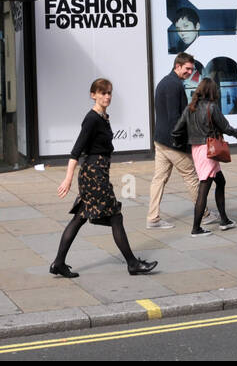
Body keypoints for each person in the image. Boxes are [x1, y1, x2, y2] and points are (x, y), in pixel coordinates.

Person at [50, 79, 157, 278]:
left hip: (97, 171)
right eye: (102, 93)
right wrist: (67, 179)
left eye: (109, 93)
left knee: (80, 218)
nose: (107, 96)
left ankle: (58, 263)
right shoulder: (91, 119)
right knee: (116, 216)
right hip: (94, 174)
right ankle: (132, 264)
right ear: (93, 95)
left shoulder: (103, 117)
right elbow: (76, 152)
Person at [171, 77, 237, 236]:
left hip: (198, 150)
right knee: (204, 188)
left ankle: (224, 220)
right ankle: (196, 228)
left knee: (221, 181)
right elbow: (225, 127)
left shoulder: (190, 108)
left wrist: (184, 143)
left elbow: (176, 131)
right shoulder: (212, 107)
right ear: (212, 91)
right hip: (209, 150)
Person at [147, 53, 209, 229]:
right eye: (187, 68)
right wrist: (185, 144)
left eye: (191, 69)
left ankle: (152, 218)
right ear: (177, 66)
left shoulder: (165, 82)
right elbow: (175, 119)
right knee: (191, 177)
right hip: (172, 143)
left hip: (160, 140)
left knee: (158, 179)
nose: (189, 72)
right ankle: (204, 214)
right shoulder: (174, 86)